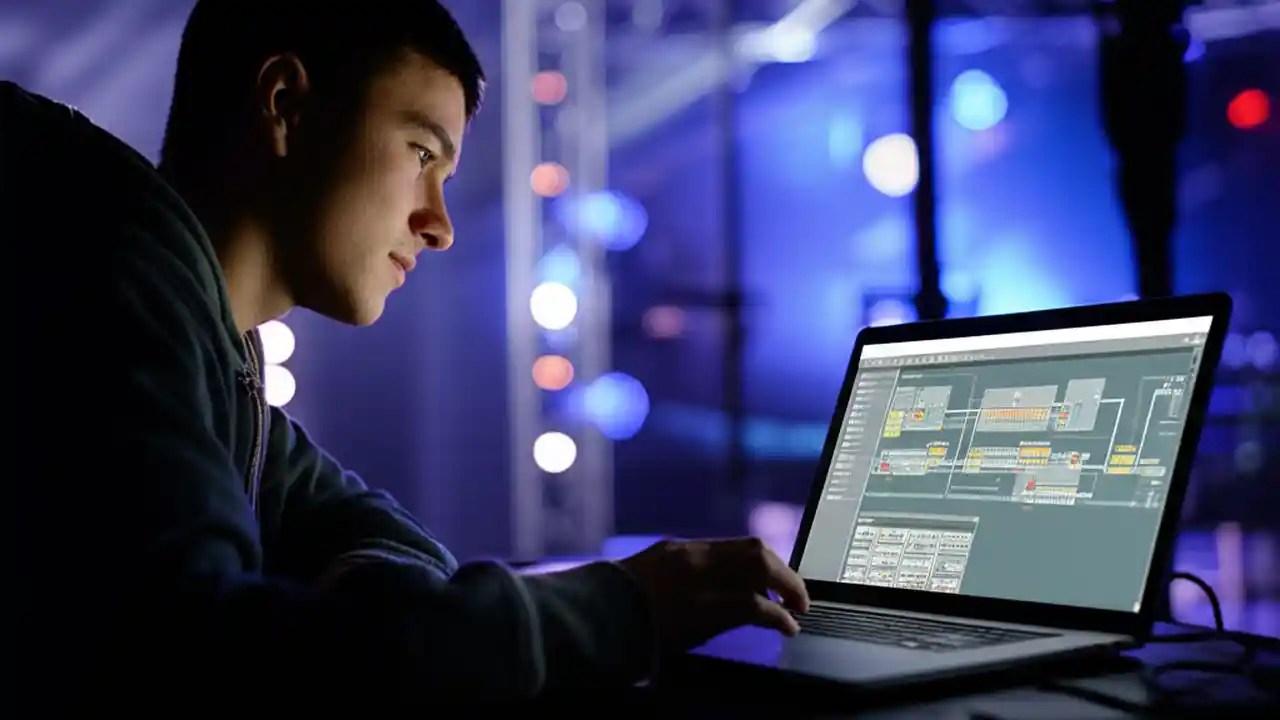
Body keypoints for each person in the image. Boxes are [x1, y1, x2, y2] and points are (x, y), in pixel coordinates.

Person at [3, 0, 808, 707]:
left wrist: (391, 612)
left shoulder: (216, 350)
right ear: (284, 105)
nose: (440, 224)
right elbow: (203, 660)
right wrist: (622, 612)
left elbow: (368, 528)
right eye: (422, 154)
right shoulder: (113, 283)